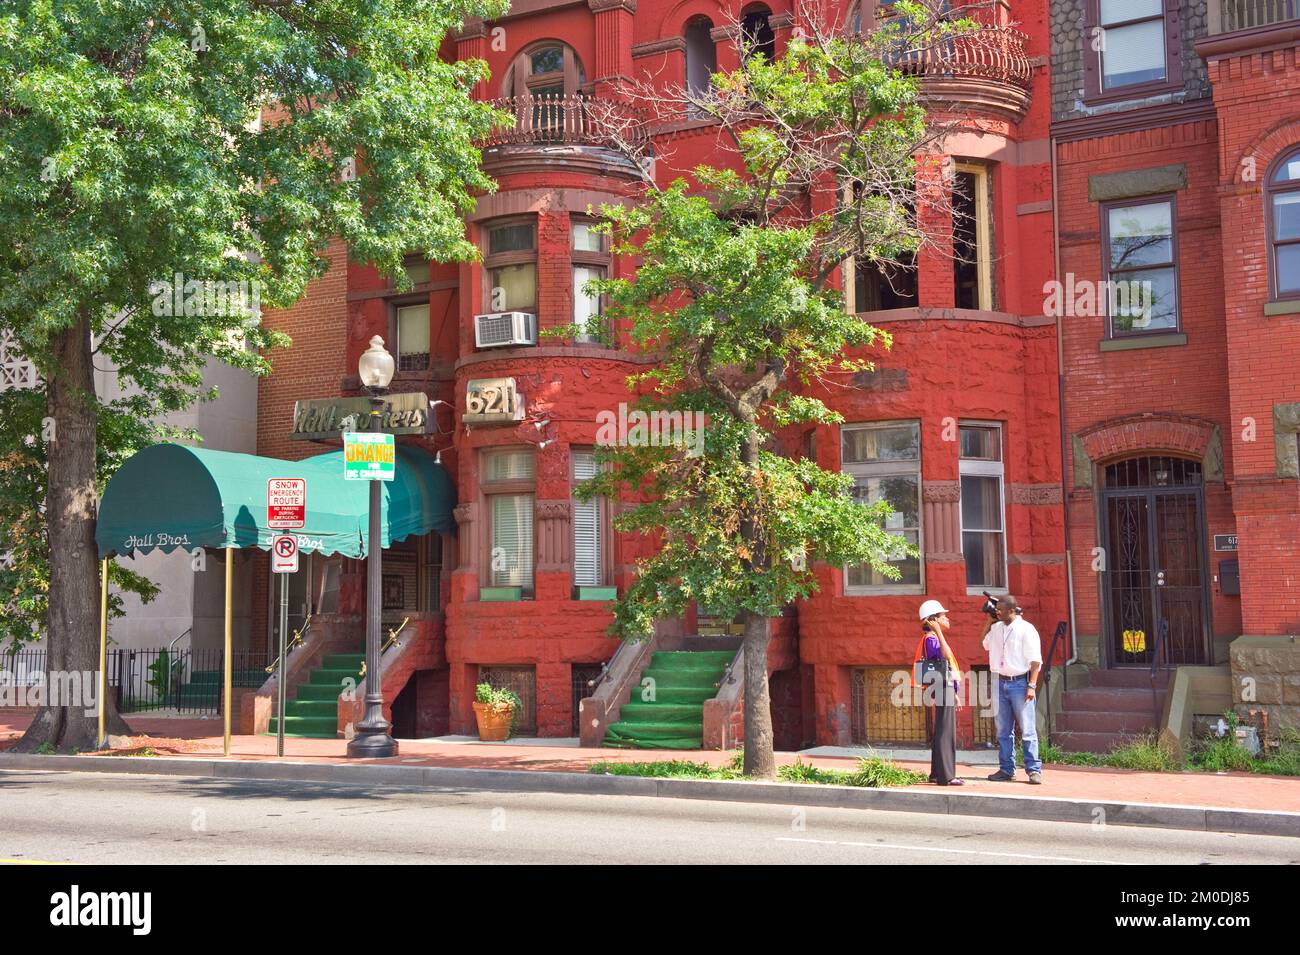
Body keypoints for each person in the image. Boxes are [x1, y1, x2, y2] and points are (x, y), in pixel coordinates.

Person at [981, 594, 1044, 784]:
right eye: (996, 609)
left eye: (1000, 610)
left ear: (1011, 610)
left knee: (1027, 729)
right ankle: (1007, 769)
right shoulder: (996, 627)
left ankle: (1033, 770)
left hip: (1020, 683)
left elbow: (1035, 661)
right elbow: (984, 644)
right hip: (999, 682)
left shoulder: (1026, 629)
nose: (996, 612)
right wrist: (988, 622)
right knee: (1003, 730)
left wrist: (1031, 686)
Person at [914, 599, 963, 786]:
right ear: (933, 620)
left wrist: (955, 692)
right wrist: (940, 632)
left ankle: (936, 773)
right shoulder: (932, 639)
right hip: (942, 688)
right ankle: (947, 776)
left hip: (944, 686)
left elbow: (946, 668)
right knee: (946, 731)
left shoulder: (932, 638)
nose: (947, 618)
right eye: (943, 616)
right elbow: (947, 656)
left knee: (942, 729)